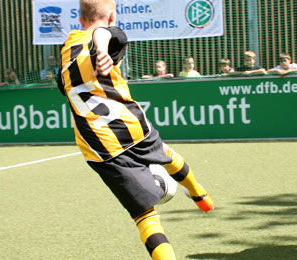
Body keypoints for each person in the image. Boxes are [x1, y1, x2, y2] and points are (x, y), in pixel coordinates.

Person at [58, 1, 215, 258]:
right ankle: (201, 196)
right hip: (131, 125)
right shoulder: (112, 34)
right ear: (112, 15)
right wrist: (102, 50)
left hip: (100, 146)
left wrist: (98, 51)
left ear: (80, 18)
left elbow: (66, 79)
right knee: (167, 154)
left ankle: (195, 198)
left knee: (145, 217)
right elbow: (103, 32)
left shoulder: (67, 48)